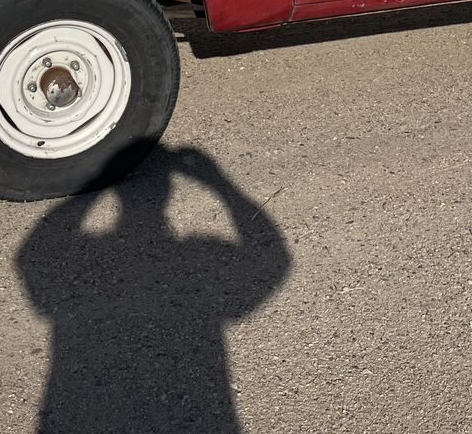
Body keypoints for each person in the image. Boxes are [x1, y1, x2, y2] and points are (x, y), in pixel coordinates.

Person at [17, 146, 291, 433]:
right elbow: (272, 263)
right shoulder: (196, 258)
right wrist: (220, 185)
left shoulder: (96, 255)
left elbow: (33, 258)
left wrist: (96, 182)